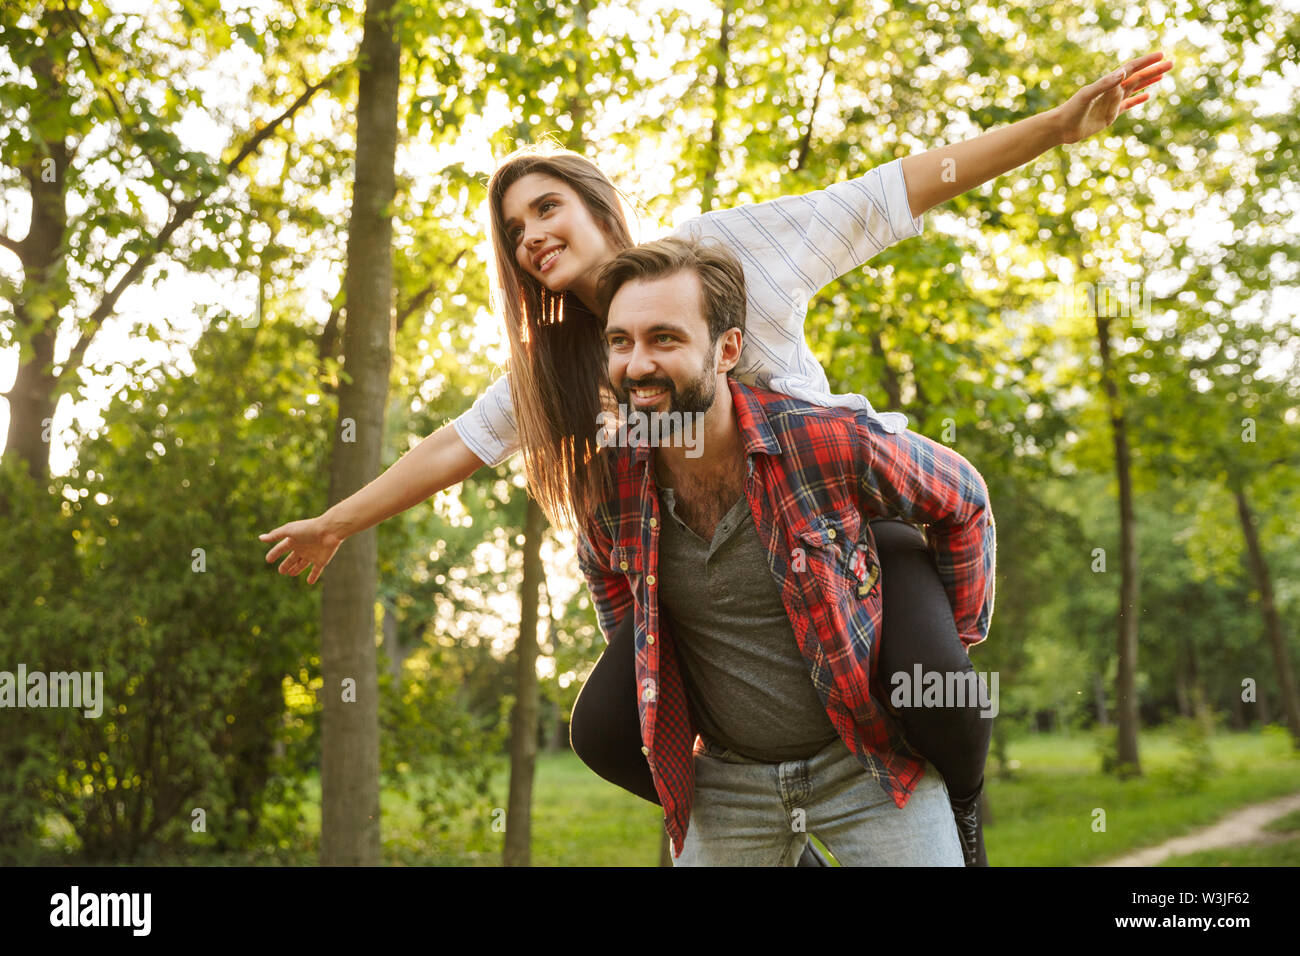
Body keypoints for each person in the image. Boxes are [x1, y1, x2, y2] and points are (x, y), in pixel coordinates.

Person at [258, 52, 1171, 866]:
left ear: (597, 204)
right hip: (712, 560)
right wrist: (340, 520)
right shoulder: (559, 372)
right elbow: (459, 444)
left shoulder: (722, 254)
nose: (531, 233)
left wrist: (1056, 127)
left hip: (843, 520)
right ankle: (750, 818)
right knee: (609, 725)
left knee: (935, 697)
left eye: (547, 206)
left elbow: (888, 193)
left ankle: (955, 817)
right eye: (513, 229)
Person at [581, 235, 994, 864]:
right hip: (726, 782)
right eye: (620, 341)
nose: (636, 365)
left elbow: (963, 498)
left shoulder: (824, 440)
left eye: (664, 339)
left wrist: (954, 634)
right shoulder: (607, 479)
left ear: (727, 349)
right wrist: (649, 668)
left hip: (865, 763)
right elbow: (603, 568)